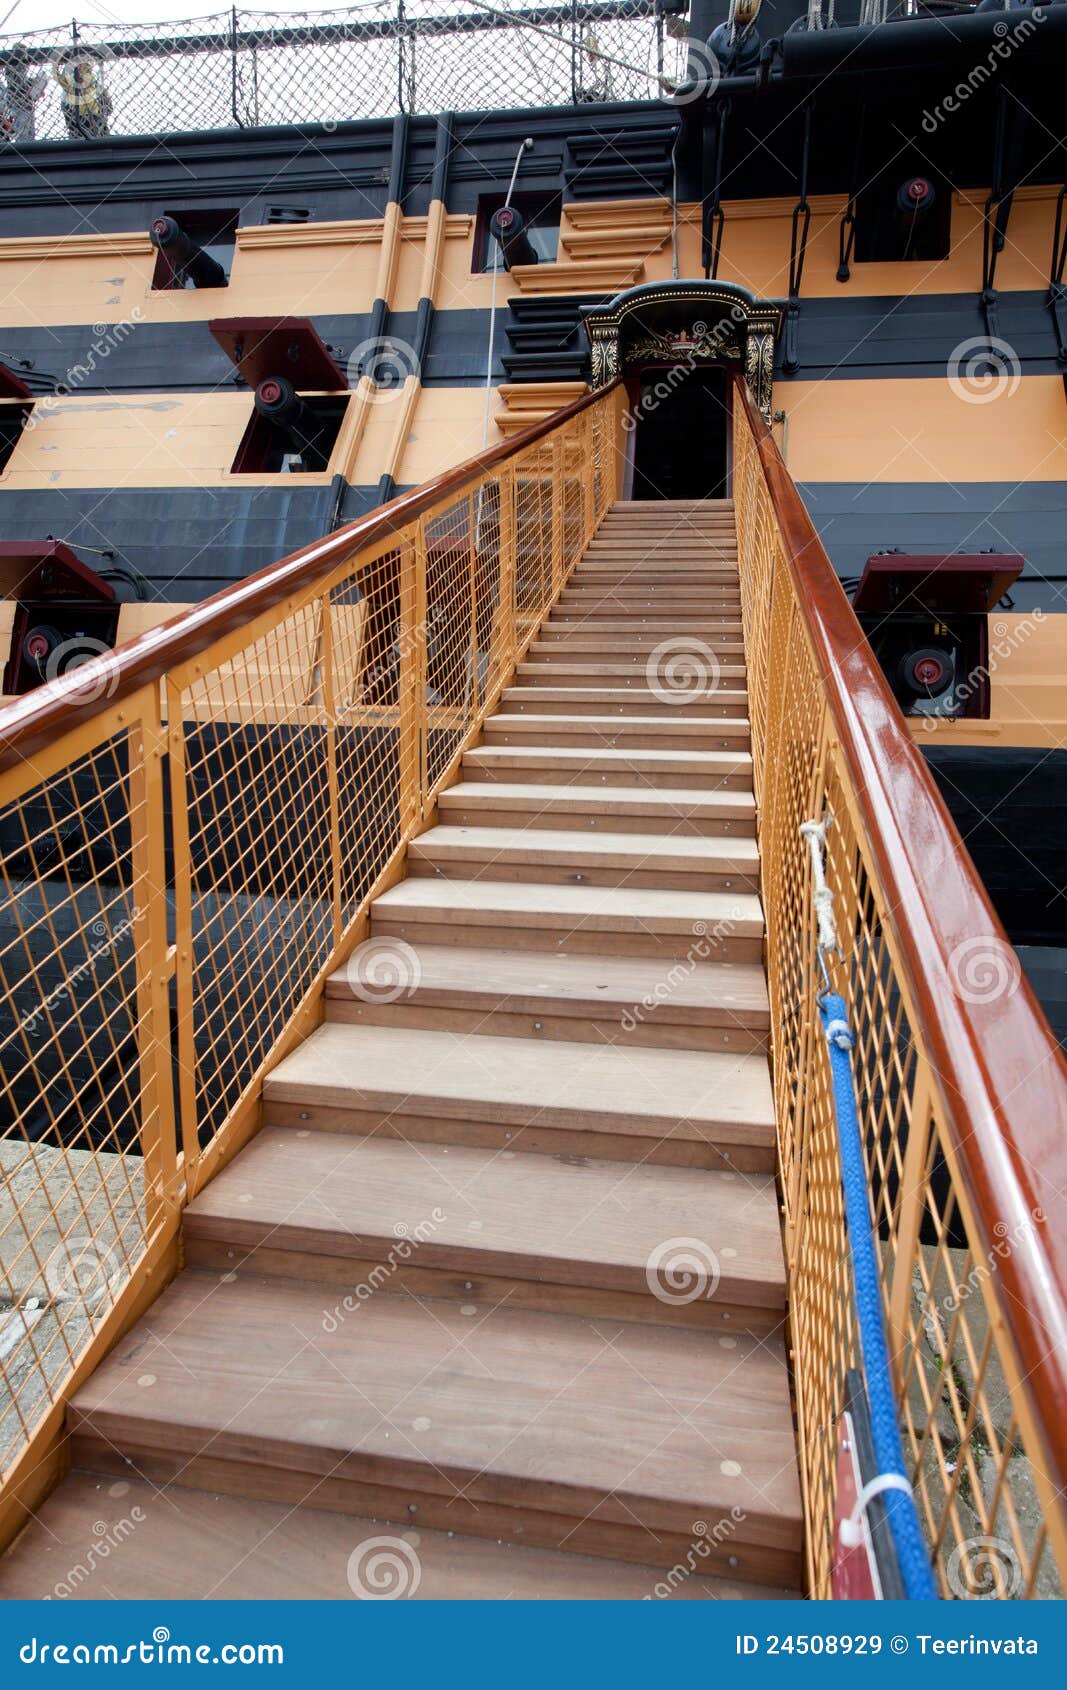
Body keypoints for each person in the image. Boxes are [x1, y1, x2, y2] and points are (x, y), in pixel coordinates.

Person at [53, 48, 112, 140]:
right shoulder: (75, 83)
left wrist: (55, 66)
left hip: (88, 116)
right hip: (83, 116)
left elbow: (108, 108)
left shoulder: (90, 82)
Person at [1, 59, 48, 144]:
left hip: (23, 104)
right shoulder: (13, 67)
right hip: (19, 105)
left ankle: (28, 146)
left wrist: (35, 87)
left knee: (28, 132)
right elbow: (18, 84)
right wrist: (34, 83)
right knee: (24, 134)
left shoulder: (15, 70)